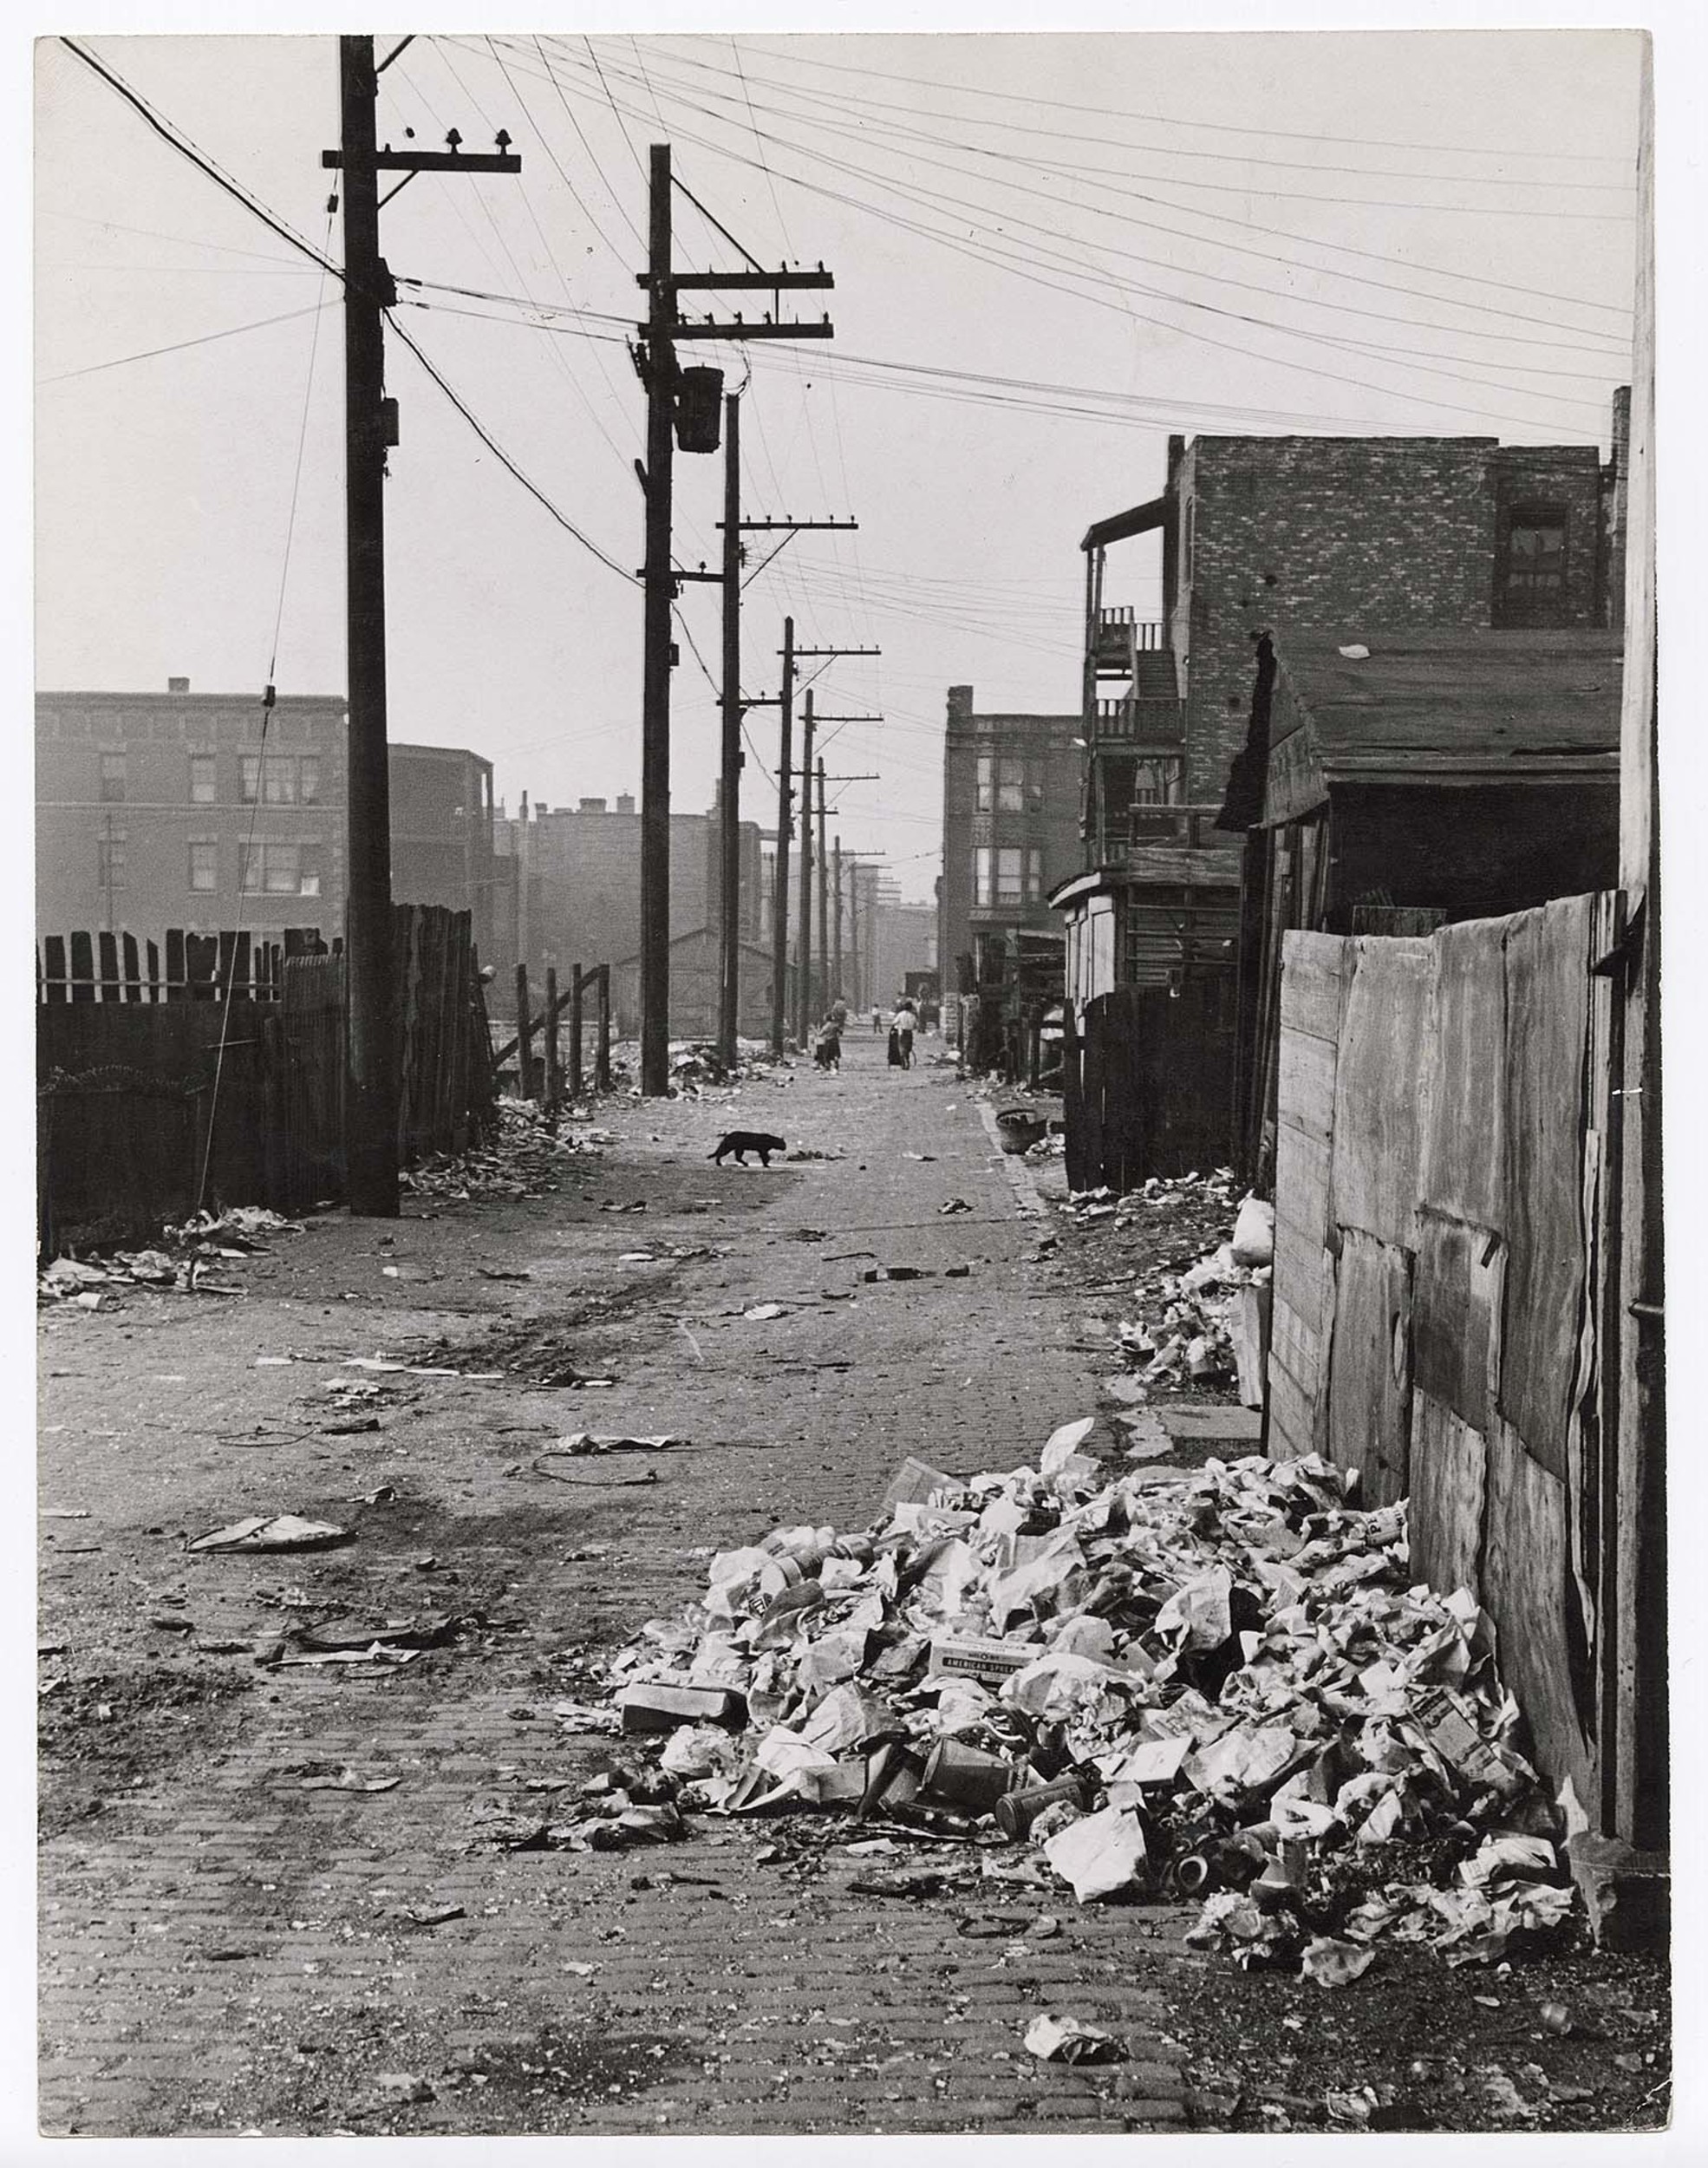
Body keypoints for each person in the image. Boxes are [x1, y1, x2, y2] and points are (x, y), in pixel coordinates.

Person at [892, 997, 916, 1069]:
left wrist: (898, 1025)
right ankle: (907, 1060)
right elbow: (915, 1026)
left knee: (902, 1047)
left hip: (902, 1032)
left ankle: (903, 1061)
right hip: (909, 1033)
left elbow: (894, 1022)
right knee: (908, 1048)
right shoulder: (913, 1016)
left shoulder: (900, 1014)